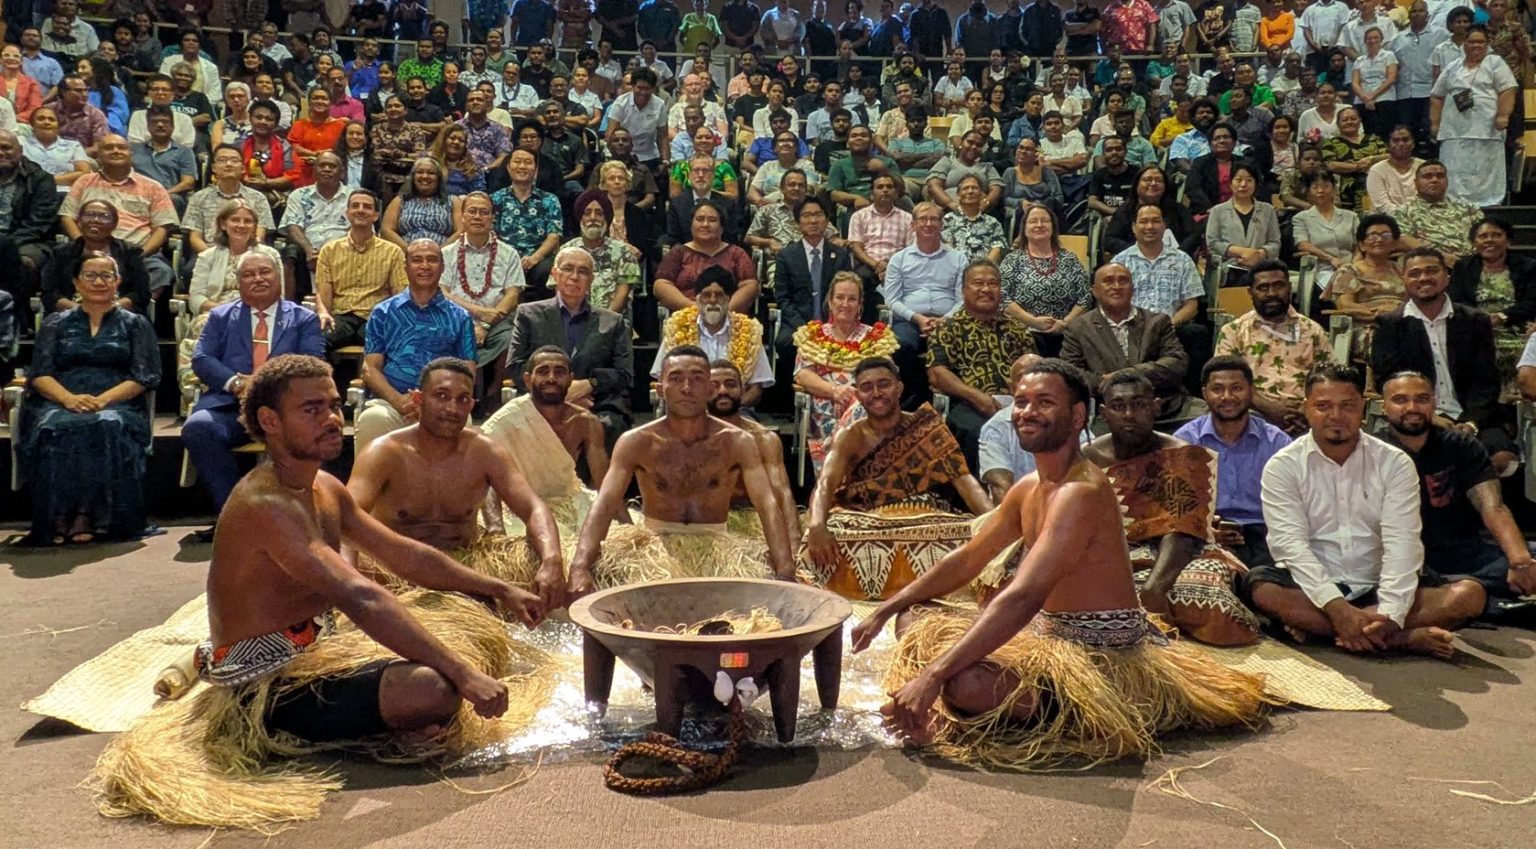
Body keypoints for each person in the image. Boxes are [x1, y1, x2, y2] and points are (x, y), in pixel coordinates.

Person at [851, 358, 1268, 763]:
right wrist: (886, 608)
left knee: (965, 682)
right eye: (1021, 401)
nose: (1028, 412)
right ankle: (958, 702)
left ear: (1077, 415)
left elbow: (1024, 596)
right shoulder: (1030, 486)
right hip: (1047, 635)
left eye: (1044, 402)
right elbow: (968, 559)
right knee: (912, 618)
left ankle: (1061, 714)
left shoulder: (1081, 491)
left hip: (1099, 654)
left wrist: (933, 676)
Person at [1246, 363, 1485, 659]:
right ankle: (1400, 639)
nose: (1336, 416)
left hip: (1379, 582)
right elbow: (1290, 546)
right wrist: (1336, 607)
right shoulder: (1283, 466)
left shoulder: (1394, 463)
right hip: (1313, 589)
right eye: (1323, 406)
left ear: (1363, 407)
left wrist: (1392, 613)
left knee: (1469, 596)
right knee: (1262, 589)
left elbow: (1403, 543)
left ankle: (1353, 630)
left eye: (1347, 406)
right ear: (1306, 408)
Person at [567, 344, 796, 593]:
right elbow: (605, 504)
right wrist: (580, 566)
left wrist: (785, 571)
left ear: (709, 388)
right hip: (654, 551)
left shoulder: (738, 442)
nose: (686, 388)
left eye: (697, 379)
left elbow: (768, 504)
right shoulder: (636, 442)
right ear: (660, 389)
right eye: (676, 379)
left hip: (719, 550)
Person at [1080, 370, 1263, 645]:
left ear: (1156, 407)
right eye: (1119, 406)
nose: (1129, 414)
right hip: (1110, 549)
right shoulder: (1085, 457)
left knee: (1209, 591)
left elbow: (1184, 527)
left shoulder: (1180, 453)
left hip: (1175, 550)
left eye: (1139, 404)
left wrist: (1156, 587)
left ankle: (1148, 605)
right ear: (1104, 413)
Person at [19, 254, 159, 544]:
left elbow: (144, 376)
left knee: (105, 424)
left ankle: (92, 515)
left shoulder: (135, 324)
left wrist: (103, 400)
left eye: (106, 275)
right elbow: (40, 374)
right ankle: (58, 515)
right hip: (58, 400)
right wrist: (69, 399)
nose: (98, 282)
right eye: (91, 275)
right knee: (54, 427)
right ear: (76, 282)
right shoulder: (55, 323)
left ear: (117, 282)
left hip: (117, 401)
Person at [1379, 370, 1536, 619]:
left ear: (1434, 403)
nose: (1412, 407)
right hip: (1408, 561)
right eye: (1400, 400)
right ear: (1383, 406)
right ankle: (1487, 602)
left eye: (1421, 399)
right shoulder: (1372, 452)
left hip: (1468, 554)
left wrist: (1520, 561)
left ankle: (1476, 597)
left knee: (1527, 559)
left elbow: (1492, 507)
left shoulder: (1460, 445)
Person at [185, 254, 325, 529]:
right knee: (198, 427)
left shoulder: (303, 319)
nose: (258, 278)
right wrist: (237, 384)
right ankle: (234, 517)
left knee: (309, 428)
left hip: (286, 408)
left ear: (279, 278)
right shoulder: (220, 317)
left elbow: (313, 364)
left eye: (265, 272)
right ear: (238, 283)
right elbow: (201, 359)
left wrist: (263, 384)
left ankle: (301, 513)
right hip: (230, 406)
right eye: (249, 275)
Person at [1370, 248, 1517, 476]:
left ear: (1447, 276)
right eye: (1415, 273)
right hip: (1419, 417)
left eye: (1431, 271)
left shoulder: (1474, 320)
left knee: (1505, 461)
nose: (1424, 278)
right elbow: (1387, 380)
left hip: (1473, 417)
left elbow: (1486, 382)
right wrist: (1433, 417)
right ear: (1404, 279)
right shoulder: (1390, 324)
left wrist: (1470, 424)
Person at [1173, 355, 1293, 573]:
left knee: (1270, 582)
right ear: (1204, 394)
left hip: (1266, 534)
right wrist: (1205, 530)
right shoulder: (1186, 440)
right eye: (1217, 389)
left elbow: (1293, 505)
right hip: (1205, 533)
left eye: (1236, 388)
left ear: (1251, 391)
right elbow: (1175, 505)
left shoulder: (1278, 442)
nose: (1227, 397)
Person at [354, 240, 477, 455]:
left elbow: (467, 372)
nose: (425, 266)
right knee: (373, 419)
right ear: (406, 267)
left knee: (464, 427)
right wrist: (400, 401)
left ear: (442, 267)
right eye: (417, 260)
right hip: (392, 402)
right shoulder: (383, 312)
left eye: (432, 260)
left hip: (445, 404)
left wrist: (433, 405)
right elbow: (370, 369)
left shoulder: (459, 317)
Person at [508, 246, 636, 444]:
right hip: (540, 401)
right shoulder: (528, 314)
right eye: (568, 269)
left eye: (583, 271)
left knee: (604, 426)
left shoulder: (613, 322)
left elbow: (624, 374)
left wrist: (590, 384)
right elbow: (516, 366)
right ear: (554, 274)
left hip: (596, 403)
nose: (574, 276)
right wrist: (559, 393)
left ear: (591, 279)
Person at [927, 259, 1037, 470]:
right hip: (969, 403)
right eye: (978, 283)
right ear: (963, 290)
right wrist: (976, 397)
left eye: (993, 283)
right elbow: (937, 373)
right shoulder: (948, 328)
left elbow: (1035, 370)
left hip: (1017, 403)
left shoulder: (1017, 329)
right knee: (976, 432)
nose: (986, 289)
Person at [793, 271, 900, 471]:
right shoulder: (813, 335)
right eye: (840, 297)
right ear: (830, 301)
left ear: (860, 305)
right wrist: (835, 391)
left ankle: (835, 449)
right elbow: (803, 374)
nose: (845, 304)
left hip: (867, 402)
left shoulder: (875, 336)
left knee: (861, 403)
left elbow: (887, 374)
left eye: (852, 299)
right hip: (825, 406)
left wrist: (853, 395)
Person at [1062, 263, 1192, 420]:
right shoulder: (1078, 328)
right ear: (1094, 291)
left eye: (1123, 281)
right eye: (1108, 281)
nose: (1116, 286)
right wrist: (1109, 385)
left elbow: (1177, 362)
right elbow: (1071, 374)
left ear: (1133, 289)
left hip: (1163, 408)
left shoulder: (1158, 322)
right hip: (1108, 413)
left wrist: (1124, 375)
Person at [58, 134, 178, 297]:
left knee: (161, 271)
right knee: (58, 267)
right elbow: (67, 216)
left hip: (136, 251)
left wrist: (139, 254)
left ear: (131, 154)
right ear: (98, 156)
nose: (115, 151)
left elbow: (162, 228)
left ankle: (128, 309)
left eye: (121, 148)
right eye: (108, 148)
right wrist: (82, 245)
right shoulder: (84, 182)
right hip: (87, 250)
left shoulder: (153, 187)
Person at [882, 202, 967, 404]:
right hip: (909, 318)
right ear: (913, 225)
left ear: (941, 224)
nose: (929, 223)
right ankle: (920, 398)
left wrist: (945, 319)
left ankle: (955, 403)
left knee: (958, 345)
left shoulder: (958, 258)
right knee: (899, 346)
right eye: (923, 219)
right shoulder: (899, 259)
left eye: (934, 219)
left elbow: (962, 298)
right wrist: (917, 318)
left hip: (948, 320)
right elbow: (891, 299)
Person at [652, 268, 773, 408]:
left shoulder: (749, 331)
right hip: (687, 411)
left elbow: (755, 389)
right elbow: (662, 380)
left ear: (728, 298)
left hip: (735, 412)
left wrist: (728, 409)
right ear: (697, 299)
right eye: (706, 295)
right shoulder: (678, 329)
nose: (713, 300)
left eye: (719, 295)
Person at [440, 193, 526, 379]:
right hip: (456, 320)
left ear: (492, 218)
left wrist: (485, 324)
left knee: (512, 340)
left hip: (497, 324)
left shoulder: (509, 253)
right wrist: (477, 315)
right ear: (462, 217)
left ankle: (493, 399)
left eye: (484, 212)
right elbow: (442, 293)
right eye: (472, 211)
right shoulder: (447, 253)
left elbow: (512, 296)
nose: (477, 217)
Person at [1450, 217, 1536, 397]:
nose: (1489, 240)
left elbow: (1531, 301)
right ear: (1474, 243)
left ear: (1508, 241)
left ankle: (1519, 406)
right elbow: (1457, 301)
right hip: (1476, 329)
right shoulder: (1463, 267)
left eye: (1496, 235)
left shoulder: (1528, 266)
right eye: (1483, 236)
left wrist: (1502, 317)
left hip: (1517, 328)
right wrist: (1480, 319)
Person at [1431, 25, 1516, 206]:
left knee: (1486, 170)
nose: (1476, 46)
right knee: (1455, 169)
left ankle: (1489, 203)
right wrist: (1435, 122)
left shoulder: (1495, 63)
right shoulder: (1453, 67)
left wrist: (1503, 115)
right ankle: (1456, 204)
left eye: (1480, 42)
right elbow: (1437, 95)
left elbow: (1508, 89)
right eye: (1472, 42)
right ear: (1464, 43)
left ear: (1487, 44)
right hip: (1454, 129)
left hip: (1487, 128)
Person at [521, 346, 612, 488]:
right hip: (519, 505)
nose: (551, 378)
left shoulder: (586, 422)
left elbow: (605, 488)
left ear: (571, 379)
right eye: (543, 372)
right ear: (527, 379)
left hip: (570, 502)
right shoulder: (510, 419)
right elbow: (491, 486)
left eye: (559, 372)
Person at [0, 129, 61, 330]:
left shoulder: (40, 178)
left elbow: (39, 223)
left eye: (6, 148)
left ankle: (16, 318)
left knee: (24, 261)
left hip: (29, 241)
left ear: (20, 150)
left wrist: (6, 246)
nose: (1, 153)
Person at [656, 199, 758, 314]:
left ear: (722, 227)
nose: (705, 224)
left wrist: (723, 311)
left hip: (729, 318)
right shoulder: (679, 252)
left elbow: (749, 285)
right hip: (688, 316)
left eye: (712, 220)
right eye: (699, 219)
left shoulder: (736, 253)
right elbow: (661, 284)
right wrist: (694, 309)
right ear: (691, 225)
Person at [1204, 162, 1283, 278]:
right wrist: (1242, 252)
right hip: (1228, 270)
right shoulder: (1218, 210)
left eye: (1249, 180)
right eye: (1238, 180)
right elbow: (1212, 243)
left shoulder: (1268, 209)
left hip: (1261, 268)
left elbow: (1275, 242)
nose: (1243, 184)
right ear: (1230, 183)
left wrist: (1258, 255)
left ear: (1256, 184)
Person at [1394, 160, 1480, 264]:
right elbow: (1404, 239)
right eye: (1427, 176)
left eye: (1440, 176)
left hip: (1473, 263)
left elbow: (1484, 234)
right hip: (1430, 264)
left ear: (1447, 181)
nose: (1434, 180)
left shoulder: (1467, 208)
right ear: (1415, 183)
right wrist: (1442, 257)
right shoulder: (1404, 210)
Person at [1365, 125, 1424, 214]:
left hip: (1421, 218)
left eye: (1405, 140)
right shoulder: (1376, 170)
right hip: (1385, 222)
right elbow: (1383, 206)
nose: (1401, 144)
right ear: (1387, 146)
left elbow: (1426, 200)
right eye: (1396, 140)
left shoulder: (1424, 167)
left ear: (1413, 144)